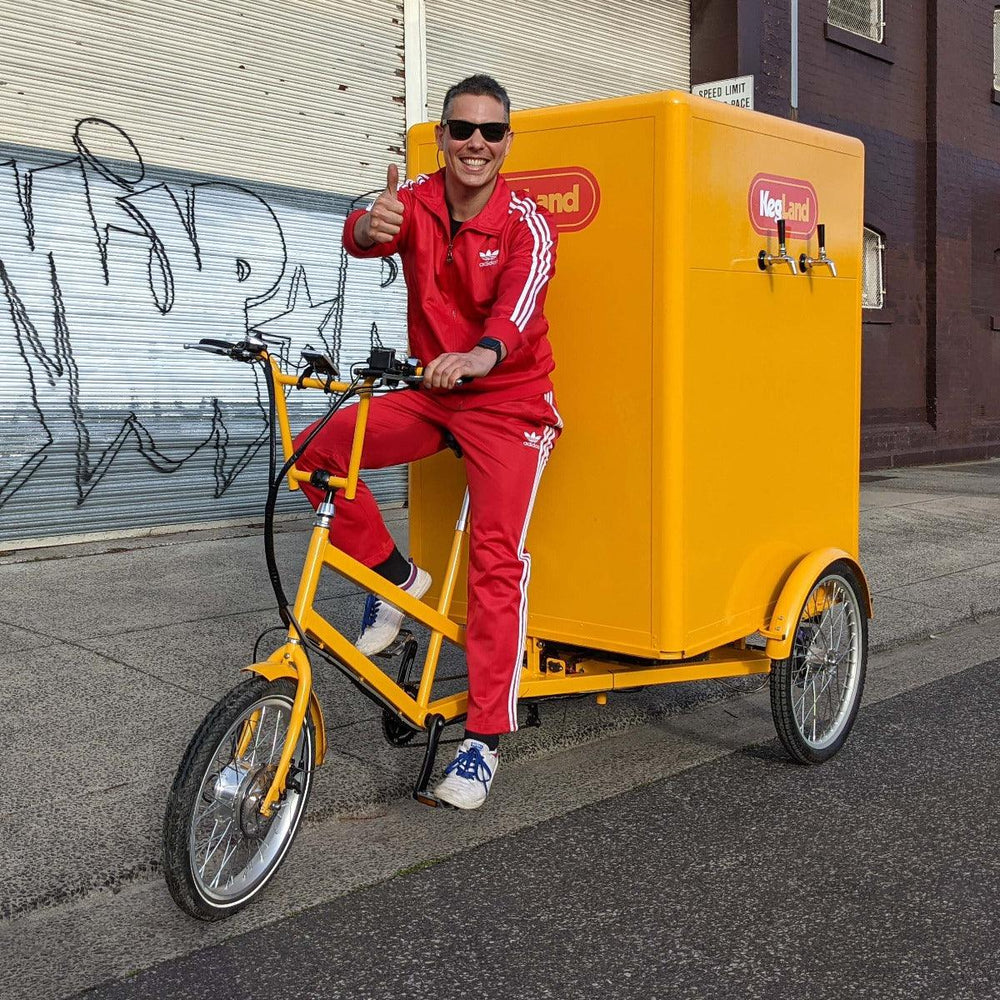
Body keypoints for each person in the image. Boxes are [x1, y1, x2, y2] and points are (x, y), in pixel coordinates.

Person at [295, 74, 560, 810]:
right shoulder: (414, 199)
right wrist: (363, 228)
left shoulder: (526, 223)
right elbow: (366, 230)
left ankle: (483, 742)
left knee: (494, 562)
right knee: (316, 449)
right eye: (462, 129)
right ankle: (398, 581)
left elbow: (521, 302)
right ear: (441, 136)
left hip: (509, 404)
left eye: (492, 132)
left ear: (509, 142)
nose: (477, 143)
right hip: (431, 393)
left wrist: (484, 353)